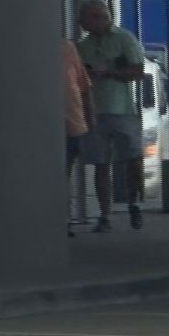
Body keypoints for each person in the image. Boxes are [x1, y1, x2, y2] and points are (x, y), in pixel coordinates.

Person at [75, 0, 147, 232]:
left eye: (86, 21)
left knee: (132, 158)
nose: (83, 26)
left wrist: (110, 72)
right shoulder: (83, 47)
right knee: (100, 162)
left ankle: (134, 203)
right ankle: (104, 214)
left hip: (123, 109)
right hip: (95, 109)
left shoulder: (123, 38)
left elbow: (137, 70)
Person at [61, 40, 93, 239]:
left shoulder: (67, 48)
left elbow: (83, 86)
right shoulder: (66, 48)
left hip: (70, 124)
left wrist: (89, 118)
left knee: (62, 175)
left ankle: (62, 220)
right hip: (41, 125)